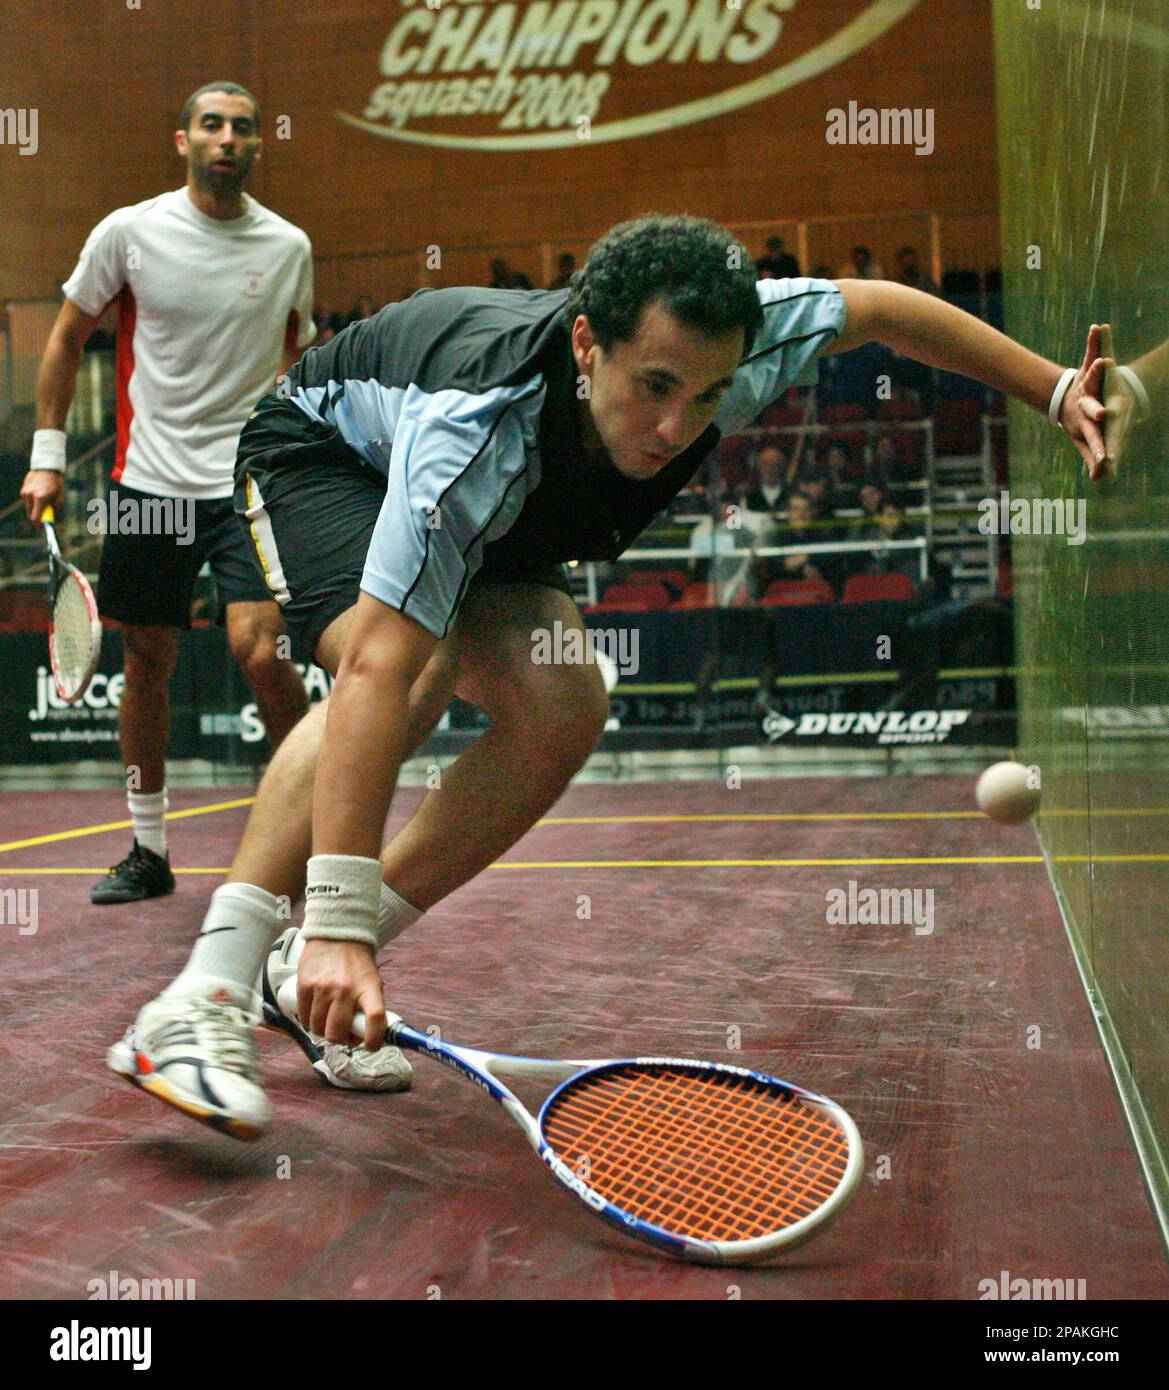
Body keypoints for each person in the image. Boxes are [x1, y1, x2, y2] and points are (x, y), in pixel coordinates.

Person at [106, 213, 1114, 1137]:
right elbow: (373, 666)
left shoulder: (727, 337)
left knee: (564, 700)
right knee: (416, 668)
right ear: (587, 345)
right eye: (654, 388)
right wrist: (327, 918)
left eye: (709, 394)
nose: (677, 428)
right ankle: (201, 993)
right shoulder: (477, 419)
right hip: (324, 455)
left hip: (498, 513)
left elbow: (884, 310)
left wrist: (1056, 390)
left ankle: (304, 977)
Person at [20, 81, 313, 905]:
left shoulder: (288, 246)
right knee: (148, 659)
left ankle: (314, 831)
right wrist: (48, 455)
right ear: (181, 140)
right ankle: (148, 850)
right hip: (147, 484)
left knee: (263, 652)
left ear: (260, 144)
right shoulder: (129, 233)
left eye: (244, 128)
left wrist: (297, 462)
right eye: (212, 126)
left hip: (244, 488)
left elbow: (298, 359)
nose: (228, 139)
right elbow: (68, 335)